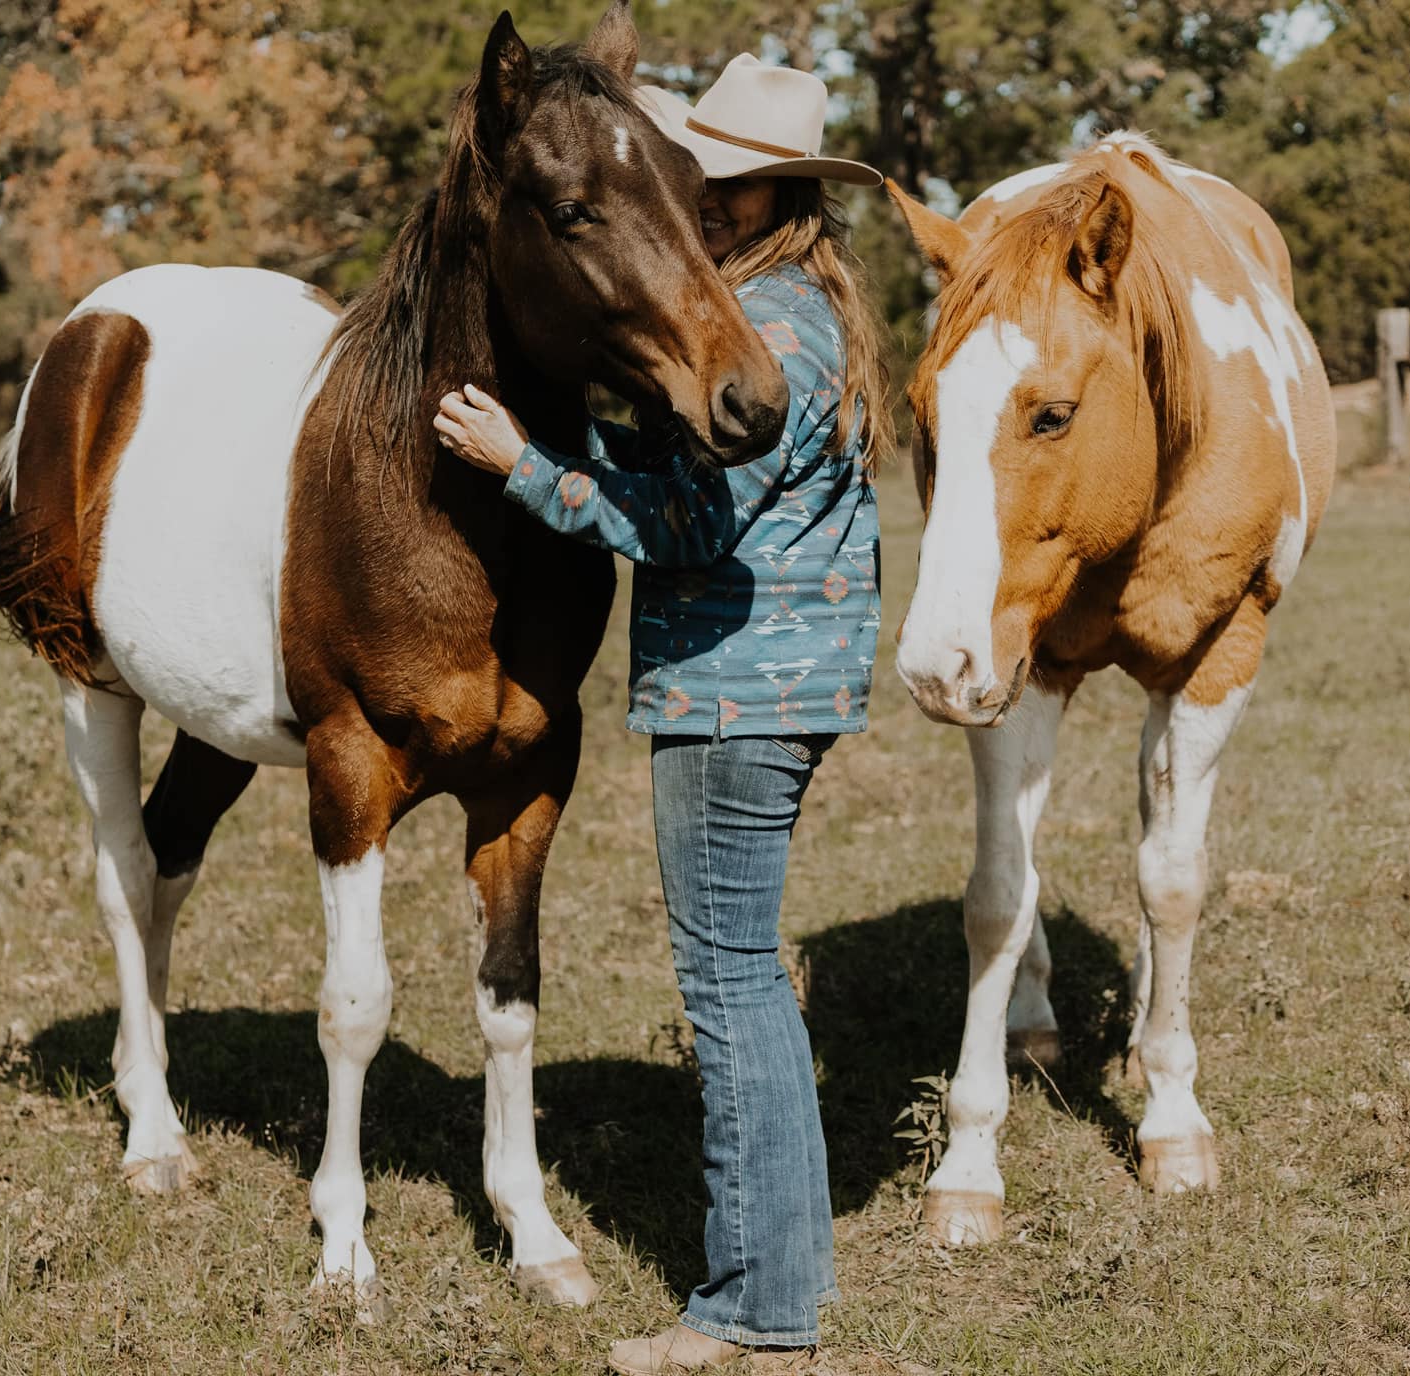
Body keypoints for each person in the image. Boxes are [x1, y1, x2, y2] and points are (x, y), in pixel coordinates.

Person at [434, 53, 888, 1376]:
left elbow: (684, 526)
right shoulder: (806, 307)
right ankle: (784, 1292)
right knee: (751, 985)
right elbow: (693, 464)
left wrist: (522, 467)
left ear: (768, 196)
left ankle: (753, 1310)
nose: (704, 205)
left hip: (733, 694)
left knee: (732, 987)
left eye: (724, 189)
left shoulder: (776, 336)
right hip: (785, 689)